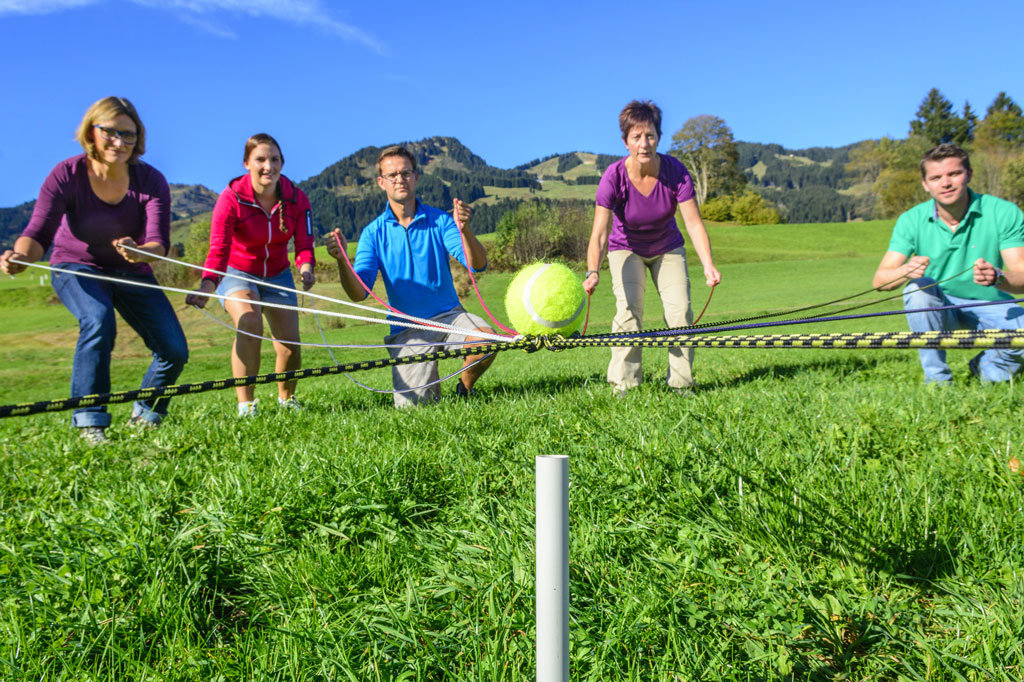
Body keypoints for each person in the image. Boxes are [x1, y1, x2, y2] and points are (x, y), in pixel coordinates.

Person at [0, 96, 188, 444]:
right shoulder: (66, 174)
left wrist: (139, 251)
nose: (120, 142)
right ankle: (91, 423)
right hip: (77, 267)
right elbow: (37, 233)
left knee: (174, 350)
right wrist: (20, 257)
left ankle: (145, 416)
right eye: (110, 132)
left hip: (133, 270)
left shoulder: (151, 180)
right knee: (98, 320)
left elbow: (158, 245)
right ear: (91, 132)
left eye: (128, 134)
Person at [324, 145, 495, 408]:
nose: (399, 179)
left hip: (450, 317)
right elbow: (359, 293)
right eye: (392, 175)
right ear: (381, 182)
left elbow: (478, 265)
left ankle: (465, 388)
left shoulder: (440, 220)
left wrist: (466, 230)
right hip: (407, 329)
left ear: (415, 177)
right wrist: (341, 261)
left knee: (487, 341)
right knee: (415, 409)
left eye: (405, 173)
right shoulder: (372, 233)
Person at [583, 100, 721, 398]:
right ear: (625, 141)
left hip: (667, 248)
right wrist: (592, 270)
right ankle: (625, 385)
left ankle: (682, 385)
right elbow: (600, 233)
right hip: (626, 248)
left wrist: (708, 264)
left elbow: (693, 224)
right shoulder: (613, 177)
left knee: (680, 311)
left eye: (650, 136)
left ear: (659, 137)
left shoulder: (675, 172)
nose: (644, 144)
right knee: (628, 311)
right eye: (636, 137)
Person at [185, 134, 315, 416]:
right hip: (238, 272)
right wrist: (207, 286)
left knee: (290, 344)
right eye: (261, 159)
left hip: (278, 274)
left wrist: (306, 268)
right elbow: (218, 250)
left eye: (275, 159)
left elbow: (304, 244)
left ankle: (287, 401)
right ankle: (246, 405)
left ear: (282, 163)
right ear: (246, 163)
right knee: (250, 320)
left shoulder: (297, 198)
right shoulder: (230, 198)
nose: (269, 166)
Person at [872, 143, 1024, 384]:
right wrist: (905, 271)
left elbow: (1022, 276)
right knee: (917, 290)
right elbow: (880, 280)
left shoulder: (1004, 212)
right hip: (940, 307)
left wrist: (999, 277)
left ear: (969, 175)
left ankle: (986, 370)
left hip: (993, 304)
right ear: (925, 184)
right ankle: (938, 382)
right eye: (936, 177)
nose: (946, 183)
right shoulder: (910, 219)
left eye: (954, 174)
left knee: (1018, 346)